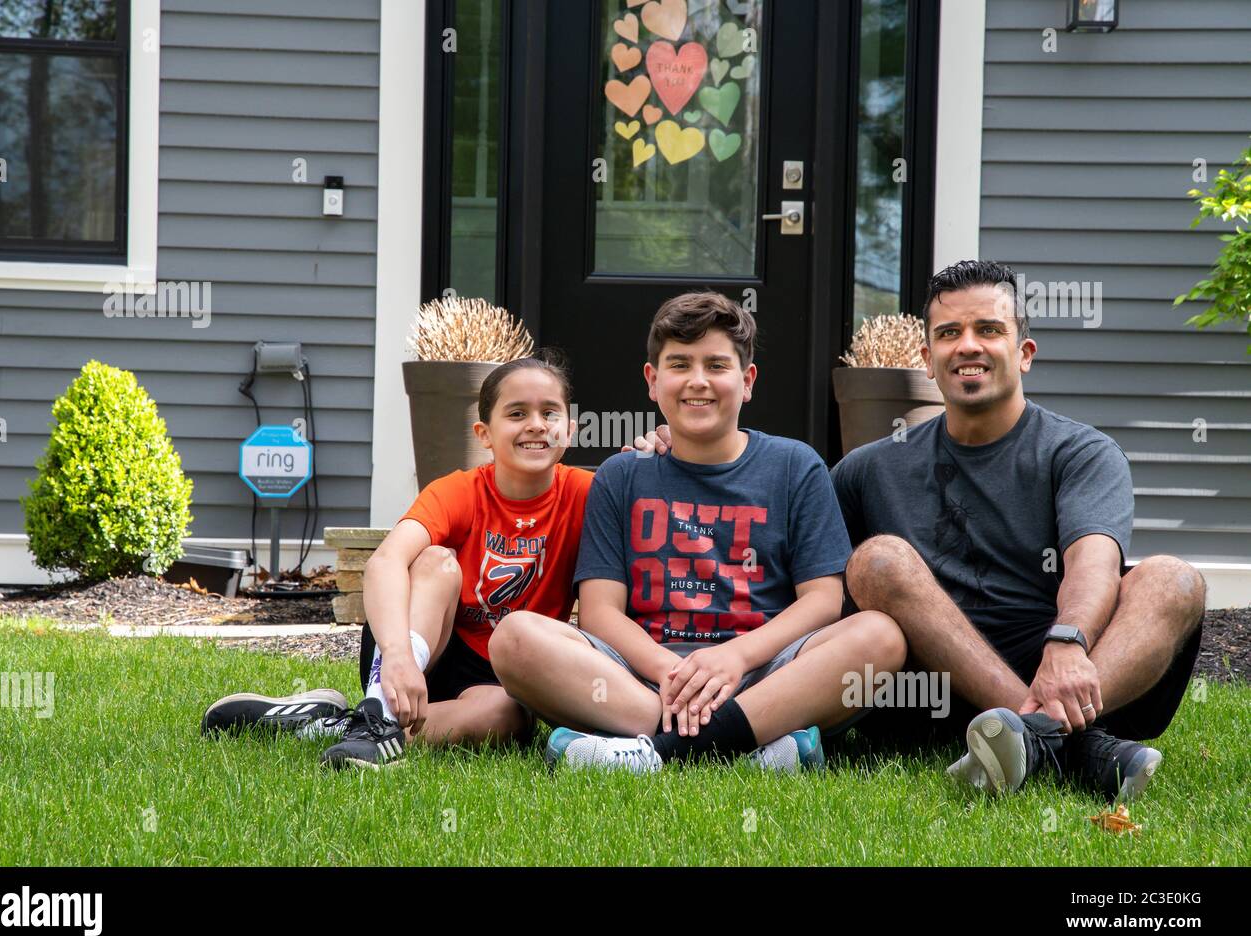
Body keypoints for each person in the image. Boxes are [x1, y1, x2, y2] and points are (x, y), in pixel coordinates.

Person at [828, 260, 1205, 801]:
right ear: (927, 361)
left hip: (1077, 672)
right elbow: (793, 548)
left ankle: (1028, 737)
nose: (967, 346)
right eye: (948, 334)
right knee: (878, 559)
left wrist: (1068, 641)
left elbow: (1093, 562)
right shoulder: (870, 467)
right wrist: (675, 454)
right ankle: (1071, 746)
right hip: (929, 689)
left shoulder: (1080, 452)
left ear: (1024, 354)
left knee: (1175, 578)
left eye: (988, 329)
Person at [487, 292, 905, 774]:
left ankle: (654, 754)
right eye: (680, 364)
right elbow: (601, 613)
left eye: (717, 365)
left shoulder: (794, 466)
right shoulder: (622, 476)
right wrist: (672, 671)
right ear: (652, 380)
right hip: (643, 679)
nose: (698, 381)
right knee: (514, 637)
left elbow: (823, 601)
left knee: (880, 637)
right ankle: (749, 747)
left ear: (747, 381)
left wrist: (733, 658)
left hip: (765, 674)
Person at [201, 354, 594, 770]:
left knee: (508, 717)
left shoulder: (589, 493)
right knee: (437, 562)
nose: (535, 424)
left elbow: (652, 494)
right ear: (484, 433)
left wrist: (655, 449)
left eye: (549, 412)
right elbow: (386, 562)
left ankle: (345, 727)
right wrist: (399, 654)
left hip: (501, 673)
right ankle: (381, 710)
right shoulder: (459, 491)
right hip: (419, 647)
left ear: (569, 429)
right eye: (517, 413)